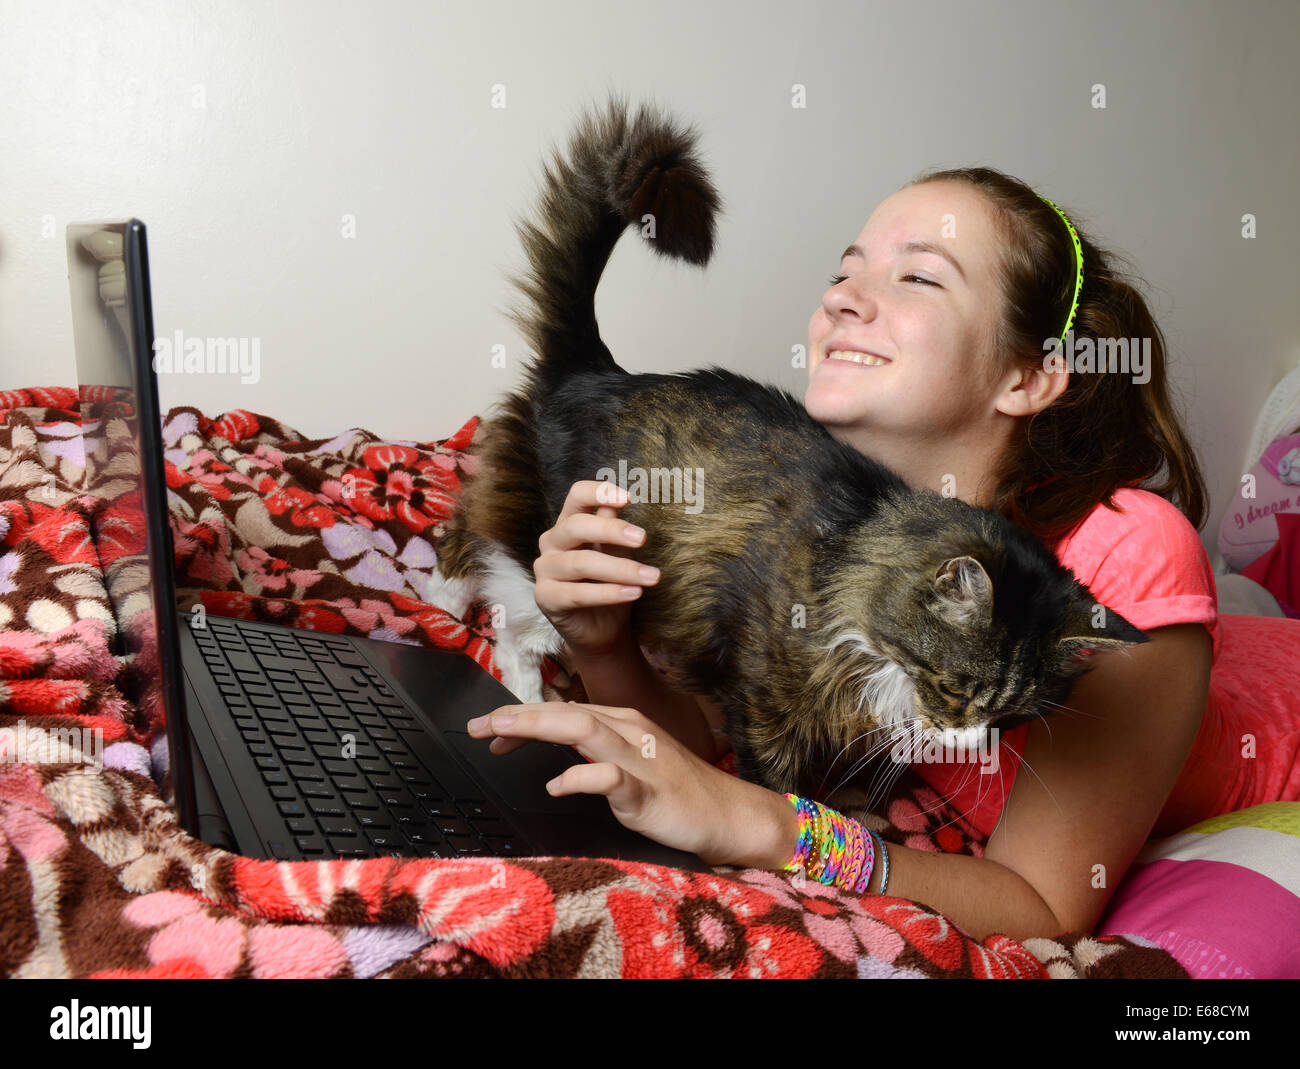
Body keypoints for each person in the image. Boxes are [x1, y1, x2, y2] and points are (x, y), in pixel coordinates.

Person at [465, 167, 1300, 943]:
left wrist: (775, 828)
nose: (843, 300)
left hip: (1267, 717)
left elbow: (1043, 904)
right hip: (1216, 644)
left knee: (1253, 610)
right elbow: (706, 737)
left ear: (1030, 375)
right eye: (844, 271)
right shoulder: (837, 525)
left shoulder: (1126, 550)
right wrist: (601, 637)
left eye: (918, 276)